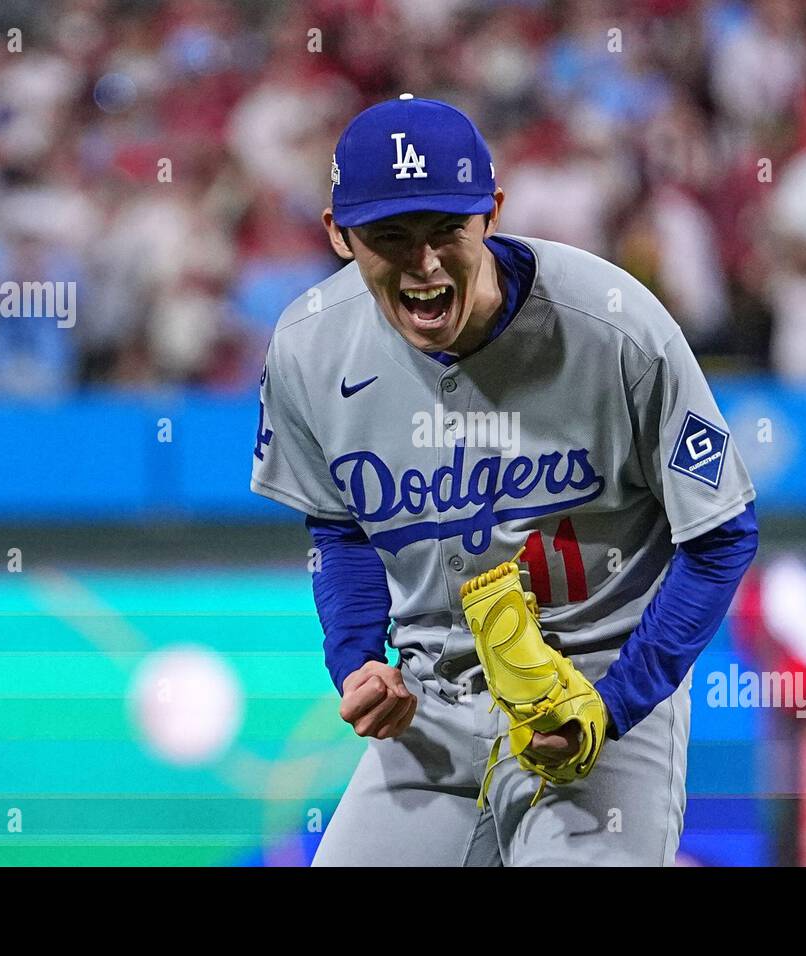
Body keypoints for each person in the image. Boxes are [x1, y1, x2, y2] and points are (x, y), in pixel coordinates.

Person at [251, 94, 758, 866]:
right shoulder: (308, 348)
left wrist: (616, 703)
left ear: (492, 211)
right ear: (337, 235)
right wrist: (356, 659)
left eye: (445, 232)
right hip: (431, 702)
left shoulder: (617, 325)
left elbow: (721, 535)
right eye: (391, 237)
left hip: (597, 691)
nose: (424, 264)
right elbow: (339, 525)